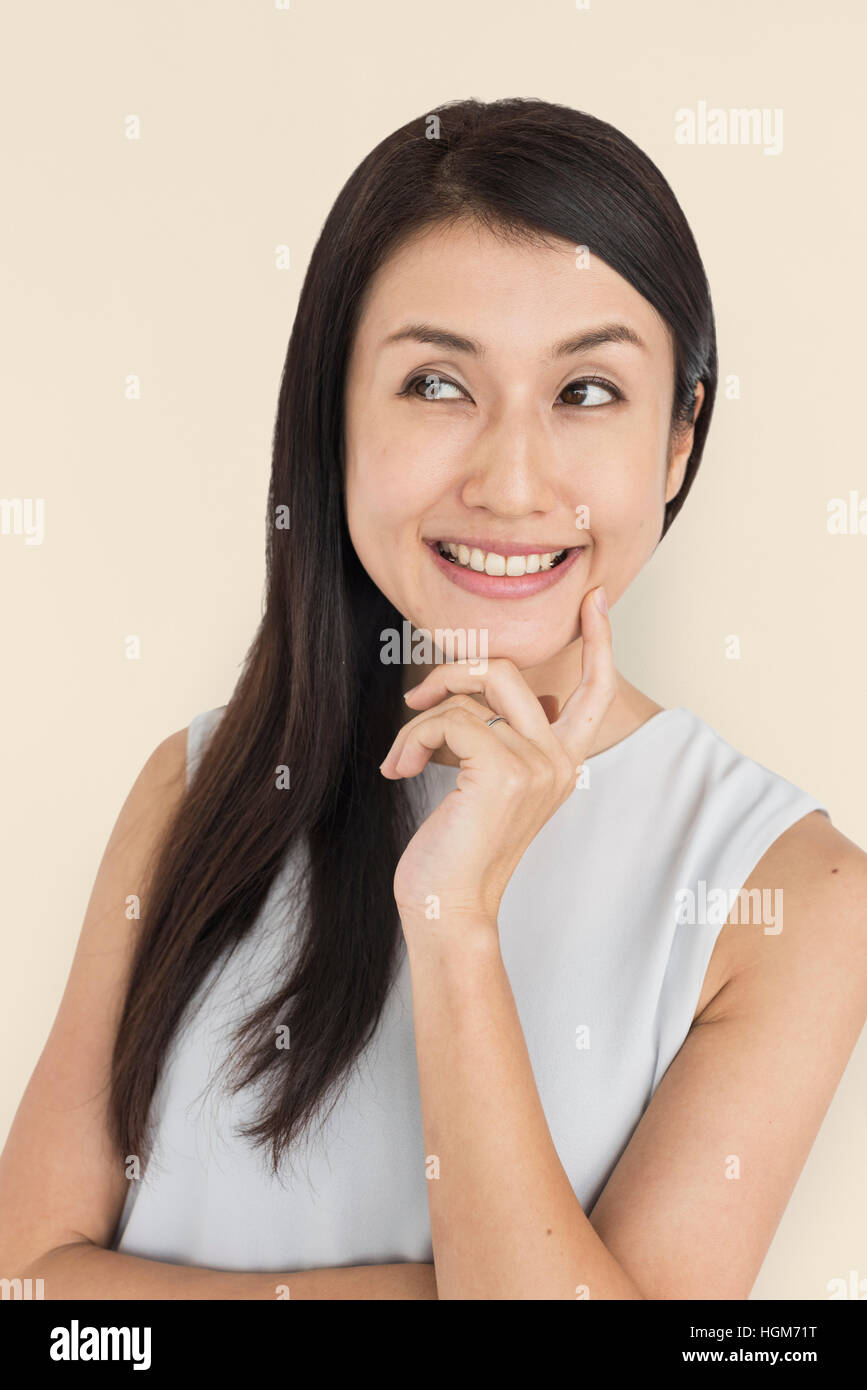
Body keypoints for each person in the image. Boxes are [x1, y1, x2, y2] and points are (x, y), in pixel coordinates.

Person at [2, 98, 865, 1301]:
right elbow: (35, 1293)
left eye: (589, 393)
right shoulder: (195, 786)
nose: (512, 483)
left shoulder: (793, 891)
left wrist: (455, 921)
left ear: (679, 440)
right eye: (438, 384)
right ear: (336, 416)